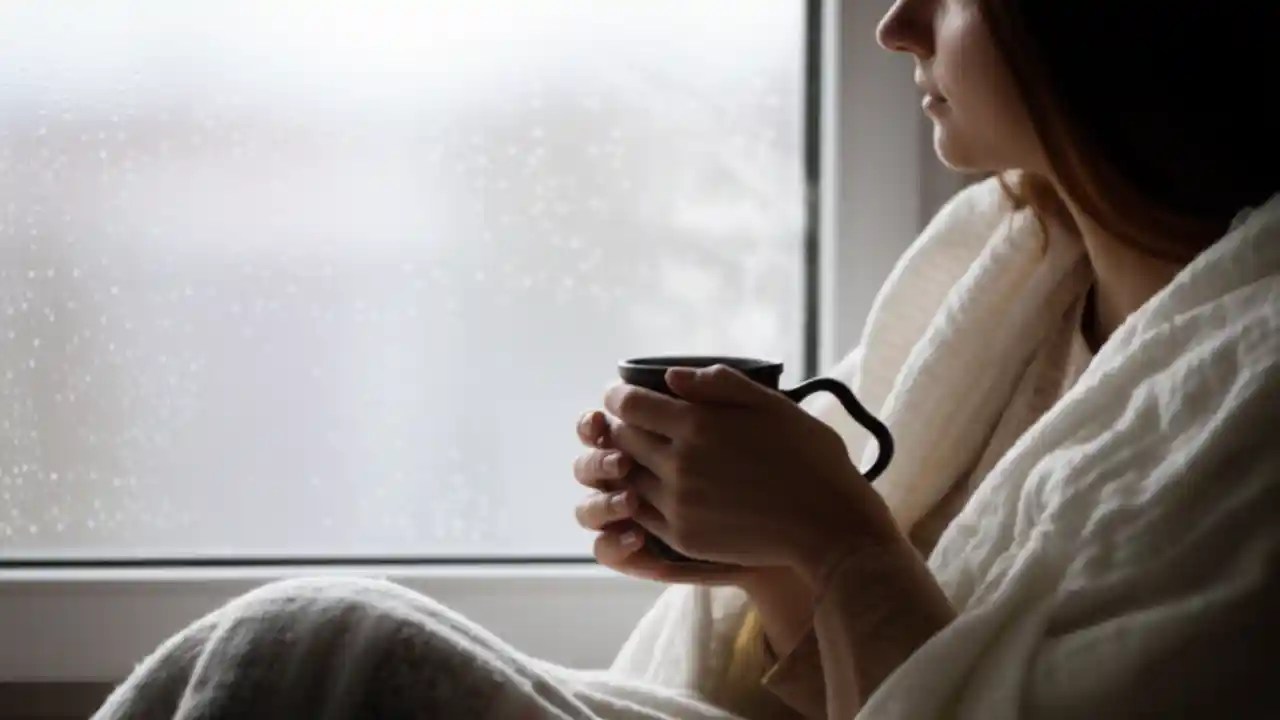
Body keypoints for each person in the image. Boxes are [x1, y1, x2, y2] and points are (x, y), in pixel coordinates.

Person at [96, 1, 1277, 718]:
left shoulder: (1253, 383)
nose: (892, 24)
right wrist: (764, 558)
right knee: (296, 651)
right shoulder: (1001, 261)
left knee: (310, 651)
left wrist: (832, 536)